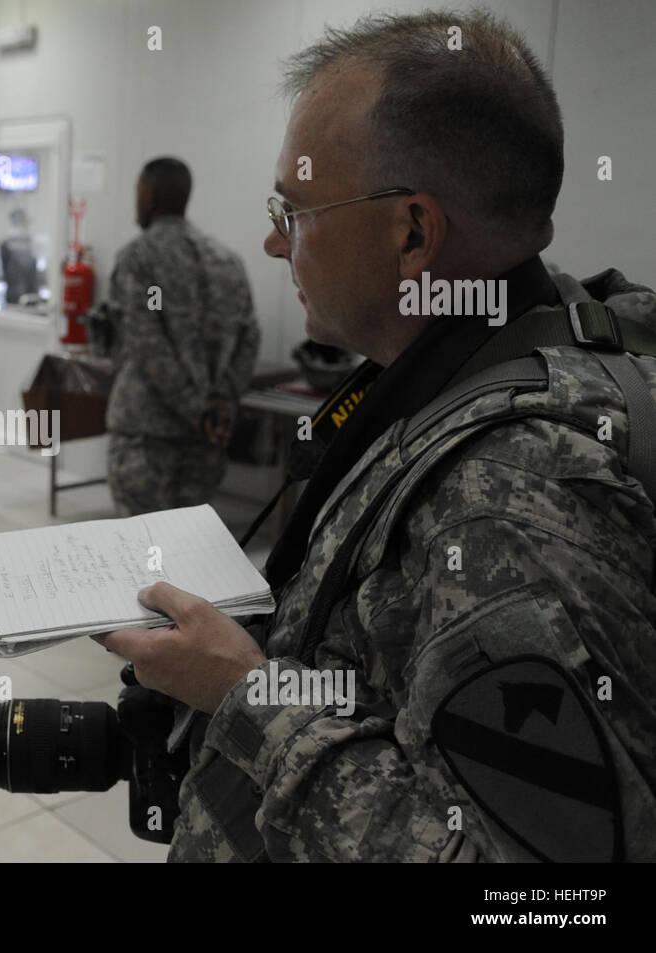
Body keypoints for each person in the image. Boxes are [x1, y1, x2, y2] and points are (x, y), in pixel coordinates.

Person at [94, 10, 656, 862]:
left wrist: (249, 696)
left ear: (412, 233)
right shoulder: (500, 345)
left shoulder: (512, 493)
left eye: (296, 207)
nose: (275, 239)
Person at [104, 157, 260, 516]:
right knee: (187, 552)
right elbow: (249, 337)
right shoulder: (227, 260)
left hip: (147, 434)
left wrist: (194, 407)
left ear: (150, 197)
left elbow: (147, 346)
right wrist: (218, 404)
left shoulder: (139, 257)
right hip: (205, 441)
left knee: (141, 552)